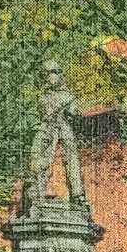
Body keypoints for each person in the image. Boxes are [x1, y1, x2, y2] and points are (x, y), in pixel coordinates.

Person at [29, 59, 86, 205]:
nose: (50, 76)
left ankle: (77, 194)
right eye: (47, 73)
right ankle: (37, 192)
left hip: (63, 125)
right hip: (46, 127)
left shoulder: (67, 95)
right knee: (39, 156)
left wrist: (72, 111)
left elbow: (75, 113)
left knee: (71, 159)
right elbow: (35, 115)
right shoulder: (41, 95)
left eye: (53, 72)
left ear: (59, 74)